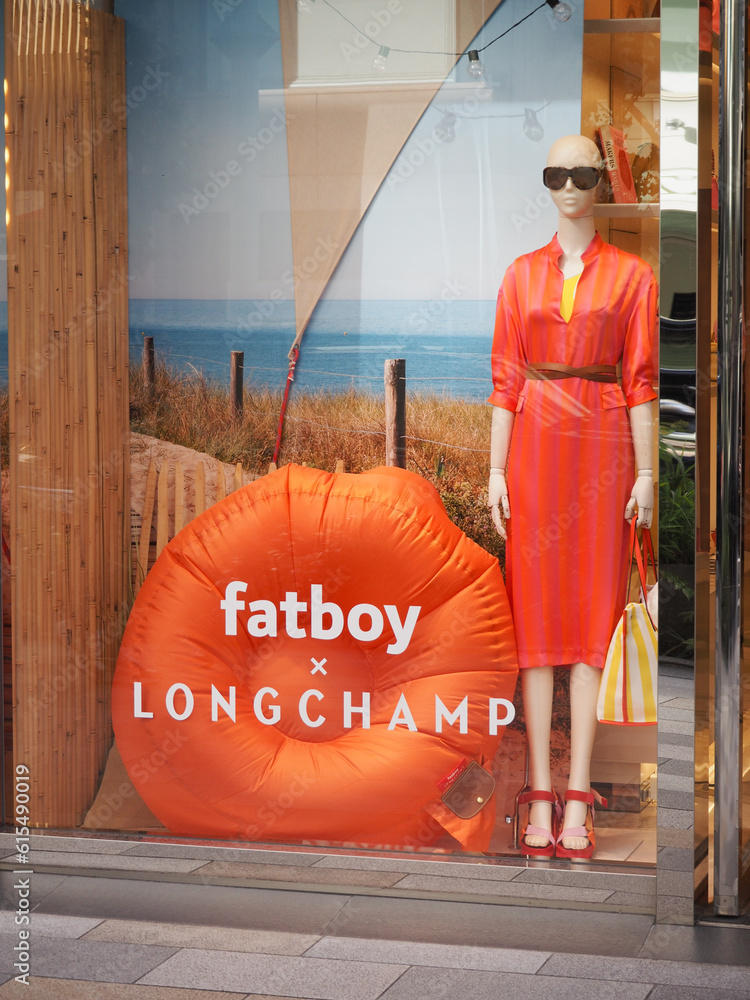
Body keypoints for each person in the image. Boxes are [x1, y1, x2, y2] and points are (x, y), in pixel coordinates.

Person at [488, 134, 657, 858]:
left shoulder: (632, 276)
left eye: (582, 172)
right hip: (531, 451)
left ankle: (578, 794)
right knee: (535, 629)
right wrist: (494, 471)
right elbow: (504, 380)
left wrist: (648, 473)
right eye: (556, 172)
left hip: (603, 449)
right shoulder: (518, 275)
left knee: (589, 623)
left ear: (601, 183)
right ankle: (538, 789)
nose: (568, 184)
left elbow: (643, 382)